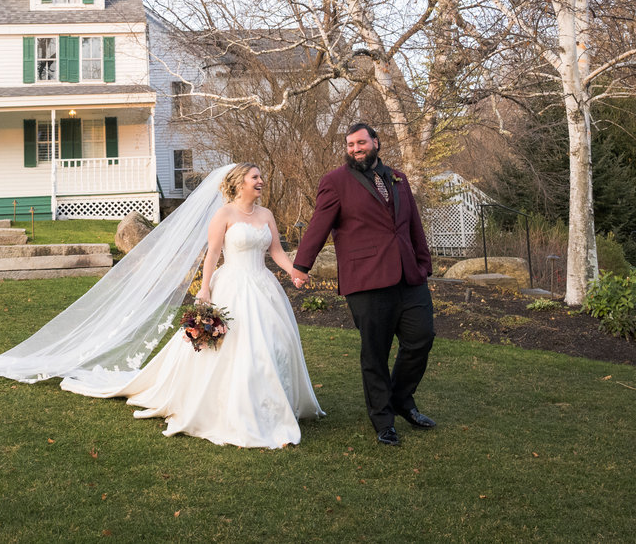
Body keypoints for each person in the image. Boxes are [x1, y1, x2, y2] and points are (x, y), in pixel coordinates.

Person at [59, 162, 323, 447]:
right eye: (255, 177)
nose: (261, 181)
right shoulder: (224, 214)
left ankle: (271, 403)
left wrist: (293, 272)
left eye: (261, 177)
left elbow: (275, 250)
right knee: (235, 348)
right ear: (239, 182)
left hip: (263, 287)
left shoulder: (266, 214)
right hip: (232, 285)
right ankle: (232, 405)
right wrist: (205, 289)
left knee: (274, 344)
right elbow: (211, 255)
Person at [294, 123, 435, 447]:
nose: (355, 148)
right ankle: (383, 420)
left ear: (376, 143)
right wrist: (302, 264)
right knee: (375, 353)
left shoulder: (398, 178)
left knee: (421, 339)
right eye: (350, 144)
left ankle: (401, 398)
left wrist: (423, 263)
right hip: (366, 280)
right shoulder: (335, 182)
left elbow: (412, 222)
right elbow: (319, 224)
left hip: (409, 276)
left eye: (361, 142)